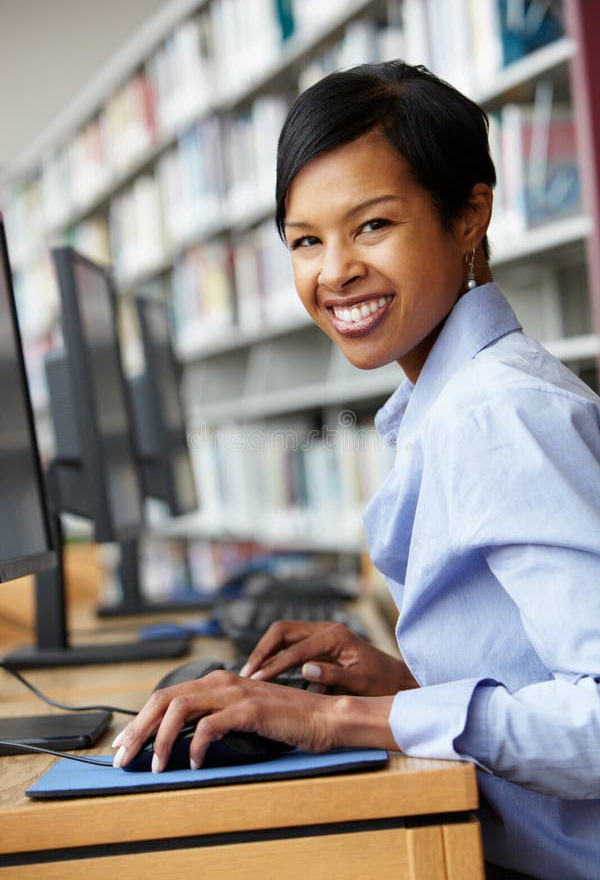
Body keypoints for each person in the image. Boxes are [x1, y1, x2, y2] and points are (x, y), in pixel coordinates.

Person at [111, 62, 600, 879]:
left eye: (371, 225)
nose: (333, 270)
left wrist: (343, 718)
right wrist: (402, 686)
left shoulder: (497, 413)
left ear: (470, 214)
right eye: (305, 240)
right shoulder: (446, 402)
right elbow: (542, 673)